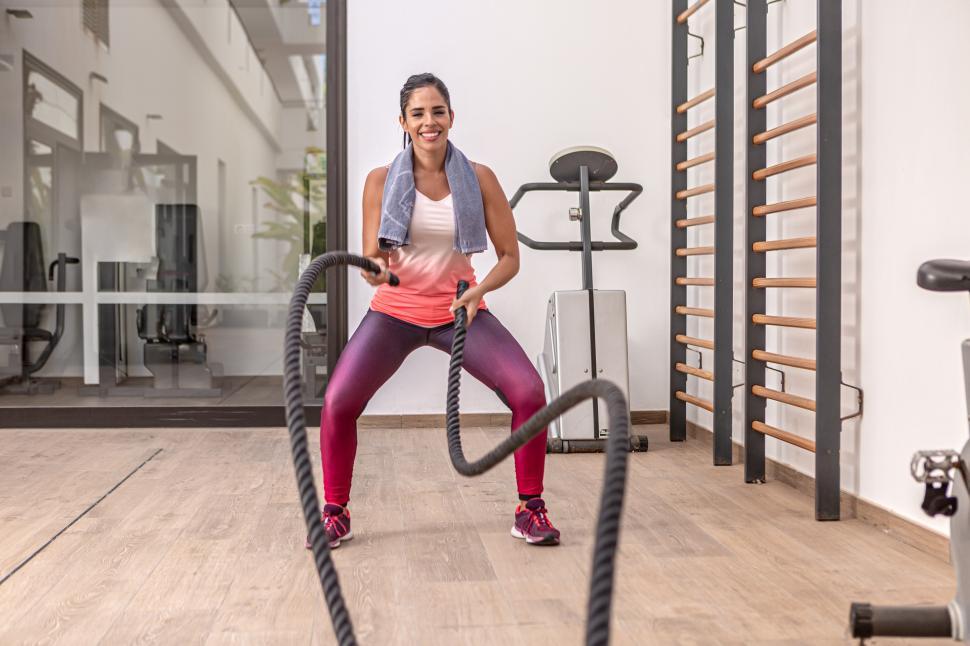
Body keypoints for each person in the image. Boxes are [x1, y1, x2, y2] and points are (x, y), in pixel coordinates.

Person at [309, 73, 559, 549]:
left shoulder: (479, 178)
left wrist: (476, 291)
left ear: (451, 117)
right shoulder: (380, 181)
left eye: (437, 111)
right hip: (394, 313)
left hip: (460, 311)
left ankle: (530, 510)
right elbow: (373, 256)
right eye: (418, 113)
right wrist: (373, 270)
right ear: (403, 121)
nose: (429, 122)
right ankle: (335, 512)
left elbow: (510, 258)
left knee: (529, 391)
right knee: (338, 403)